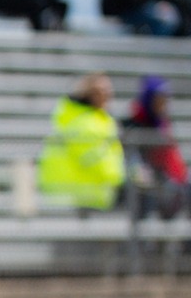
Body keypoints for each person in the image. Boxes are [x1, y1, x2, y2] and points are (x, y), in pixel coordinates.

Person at [37, 72, 127, 212]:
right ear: (89, 94)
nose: (108, 95)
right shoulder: (87, 123)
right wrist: (119, 181)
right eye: (101, 91)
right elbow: (96, 161)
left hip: (87, 195)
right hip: (83, 196)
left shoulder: (92, 119)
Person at [127, 76, 187, 220]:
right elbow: (132, 159)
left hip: (163, 179)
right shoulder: (133, 124)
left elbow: (173, 161)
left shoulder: (164, 125)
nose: (162, 104)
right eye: (159, 99)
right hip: (142, 181)